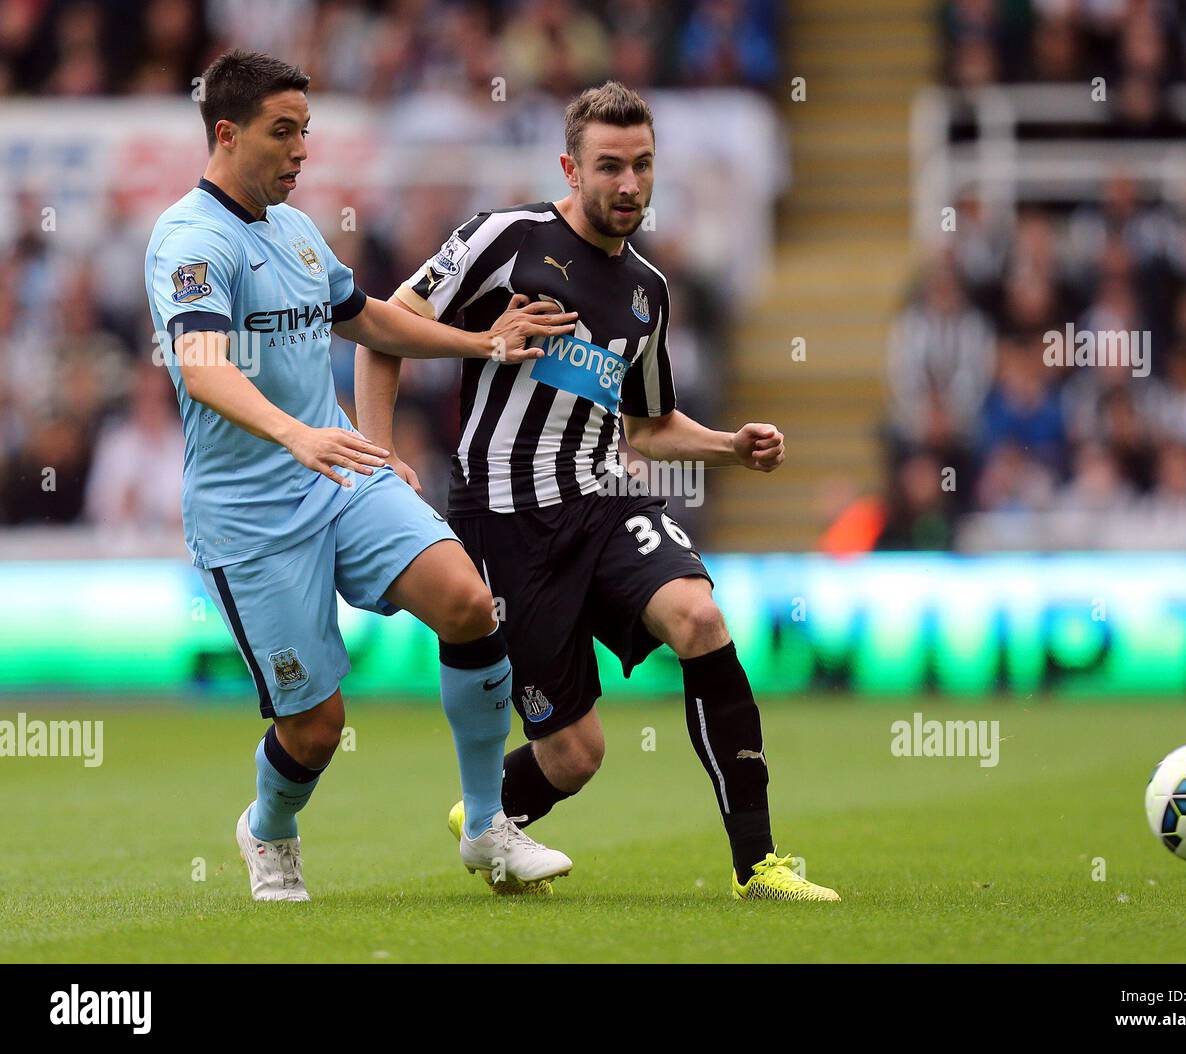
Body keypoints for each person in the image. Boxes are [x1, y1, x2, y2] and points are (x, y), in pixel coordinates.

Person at [355, 81, 839, 901]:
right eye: (609, 166)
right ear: (570, 169)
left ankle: (758, 865)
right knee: (575, 757)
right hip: (505, 523)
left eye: (642, 166)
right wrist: (380, 450)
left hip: (605, 499)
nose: (628, 185)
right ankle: (489, 815)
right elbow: (380, 327)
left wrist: (729, 447)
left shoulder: (648, 289)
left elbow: (648, 427)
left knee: (700, 616)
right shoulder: (505, 239)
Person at [144, 49, 577, 901]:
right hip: (251, 512)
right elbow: (200, 365)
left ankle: (488, 826)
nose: (302, 149)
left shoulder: (296, 230)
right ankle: (268, 830)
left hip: (339, 473)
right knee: (315, 729)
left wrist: (483, 342)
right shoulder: (191, 241)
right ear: (226, 133)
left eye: (307, 130)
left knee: (465, 600)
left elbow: (370, 321)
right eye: (282, 131)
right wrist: (293, 433)